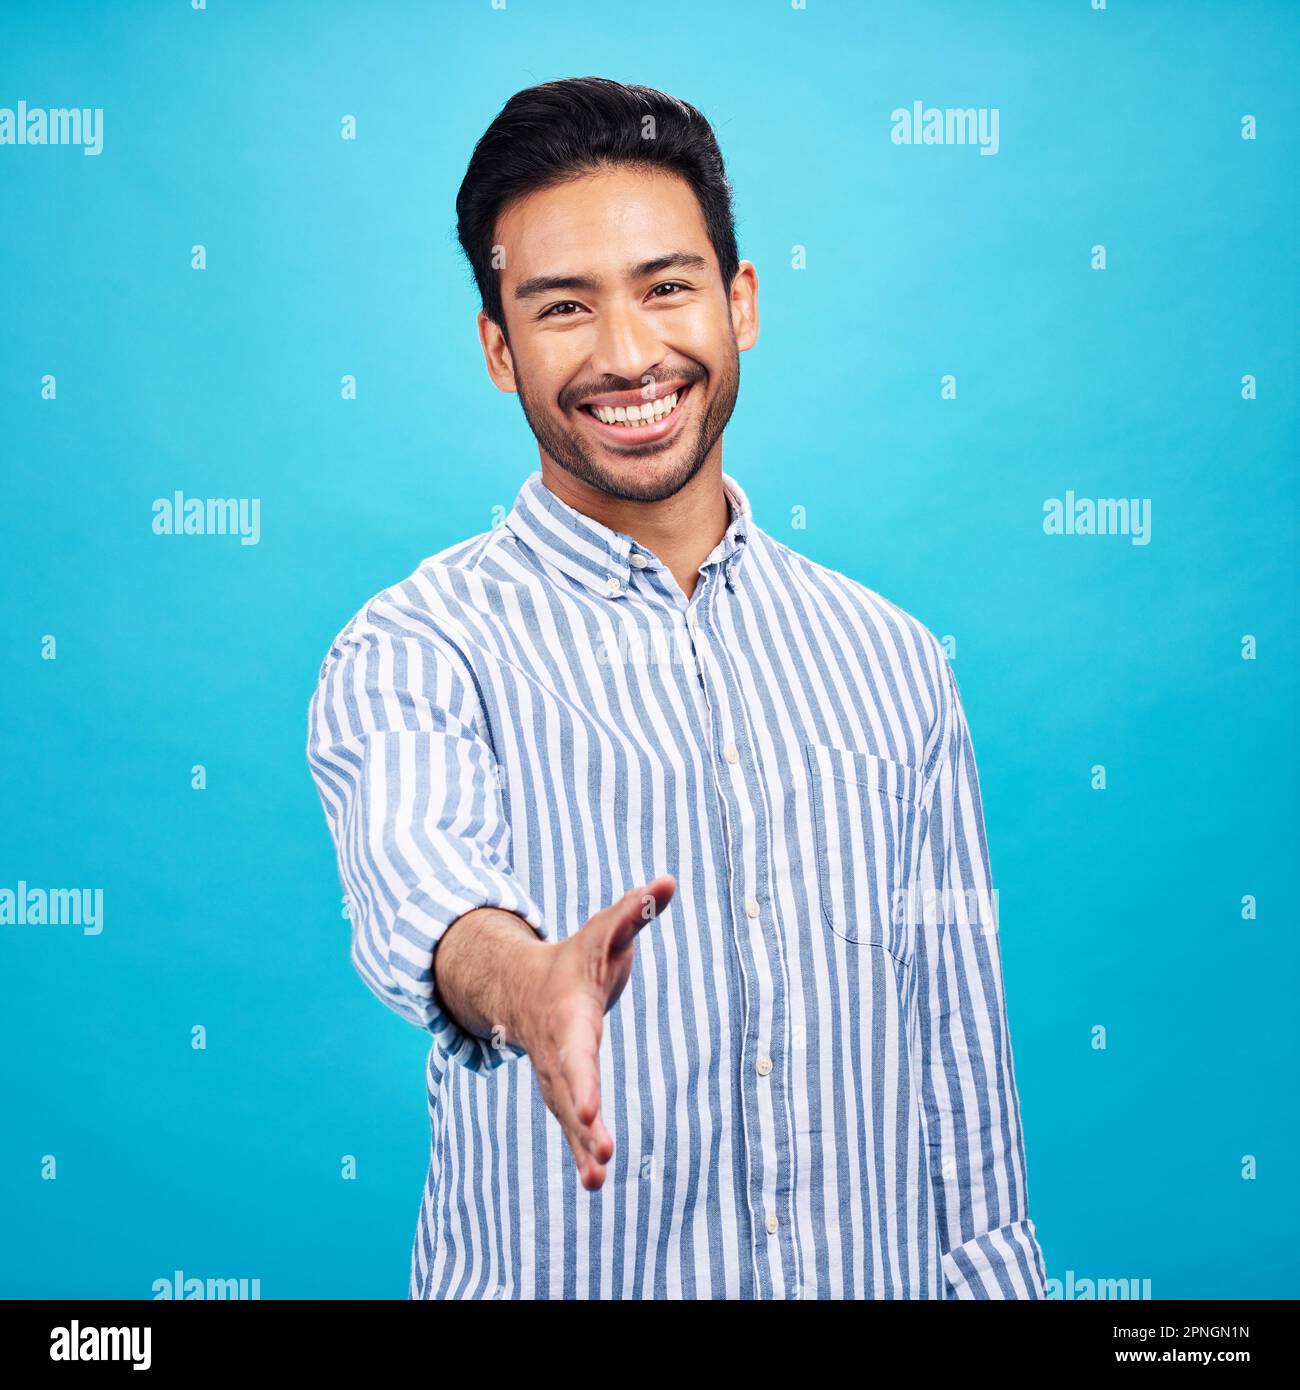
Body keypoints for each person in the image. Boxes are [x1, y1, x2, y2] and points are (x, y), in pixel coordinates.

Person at [307, 76, 1046, 1300]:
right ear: (498, 347)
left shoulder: (896, 662)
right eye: (561, 308)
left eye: (666, 286)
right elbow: (426, 890)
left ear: (738, 301)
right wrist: (528, 984)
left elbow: (962, 1093)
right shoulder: (414, 647)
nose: (629, 353)